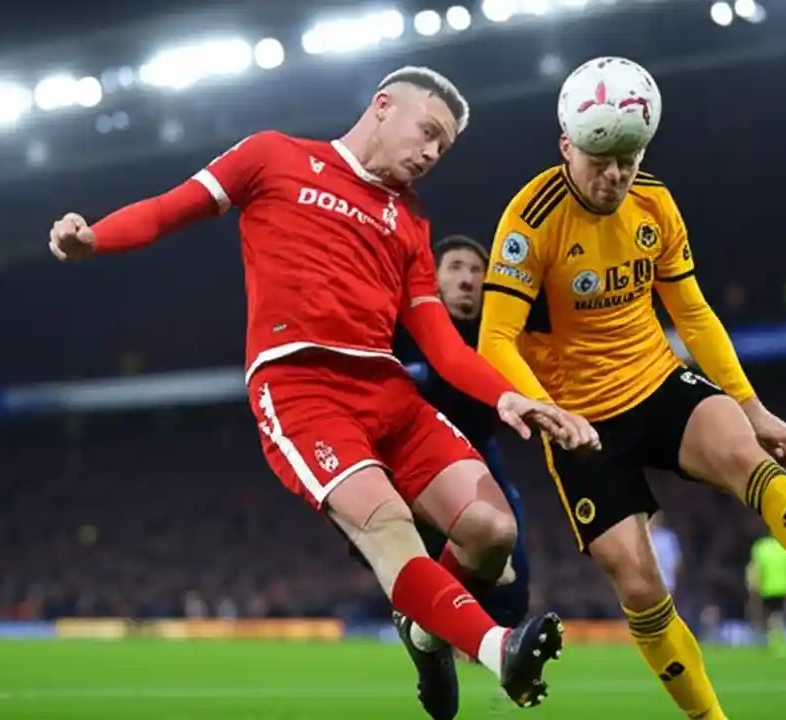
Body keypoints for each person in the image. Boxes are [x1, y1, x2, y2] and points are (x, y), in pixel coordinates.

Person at [47, 65, 600, 710]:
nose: (431, 153)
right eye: (427, 132)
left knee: (492, 529)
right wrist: (94, 238)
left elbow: (442, 344)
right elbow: (170, 210)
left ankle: (425, 631)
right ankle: (496, 648)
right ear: (383, 105)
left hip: (386, 390)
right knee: (389, 528)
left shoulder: (410, 220)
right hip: (301, 387)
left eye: (443, 147)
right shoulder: (272, 157)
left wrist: (508, 395)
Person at [477, 57, 786, 719]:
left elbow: (694, 315)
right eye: (599, 161)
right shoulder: (531, 221)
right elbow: (495, 339)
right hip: (582, 420)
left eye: (628, 160)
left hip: (657, 380)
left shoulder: (655, 203)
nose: (615, 176)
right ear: (566, 146)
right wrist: (548, 410)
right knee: (639, 584)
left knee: (746, 457)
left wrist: (751, 405)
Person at [374, 234, 535, 719]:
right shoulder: (401, 328)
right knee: (414, 553)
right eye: (456, 268)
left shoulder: (500, 336)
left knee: (509, 565)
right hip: (405, 460)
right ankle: (433, 636)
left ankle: (456, 642)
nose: (468, 279)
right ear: (433, 280)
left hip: (476, 456)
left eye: (477, 270)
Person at [746, 534, 786, 656]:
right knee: (777, 615)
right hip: (785, 586)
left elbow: (756, 568)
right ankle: (777, 642)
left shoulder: (761, 547)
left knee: (772, 615)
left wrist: (754, 585)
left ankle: (775, 642)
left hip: (767, 587)